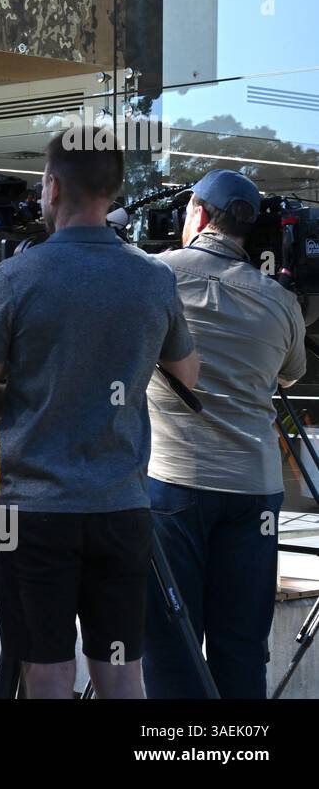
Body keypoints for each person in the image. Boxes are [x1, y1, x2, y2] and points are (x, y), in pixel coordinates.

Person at [0, 129, 200, 699]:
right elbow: (189, 377)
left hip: (34, 514)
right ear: (113, 191)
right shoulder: (154, 276)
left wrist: (26, 397)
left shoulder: (16, 277)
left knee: (46, 672)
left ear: (53, 186)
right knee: (121, 671)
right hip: (122, 507)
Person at [144, 170, 306, 698]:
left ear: (197, 214)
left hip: (173, 481)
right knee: (241, 645)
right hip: (253, 489)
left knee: (173, 642)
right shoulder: (280, 300)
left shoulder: (155, 275)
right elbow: (291, 373)